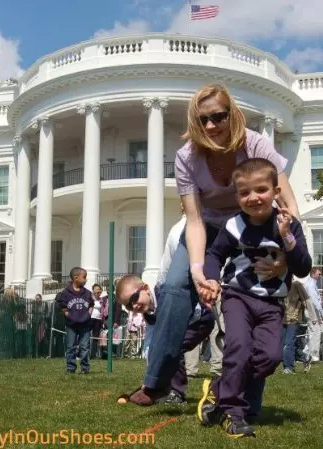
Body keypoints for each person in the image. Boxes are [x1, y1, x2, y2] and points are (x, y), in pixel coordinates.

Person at [128, 83, 299, 406]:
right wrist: (197, 271)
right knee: (176, 286)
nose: (211, 126)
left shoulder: (255, 144)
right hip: (206, 227)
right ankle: (158, 382)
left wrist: (284, 256)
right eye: (202, 120)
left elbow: (287, 201)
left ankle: (245, 398)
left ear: (232, 114)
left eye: (218, 117)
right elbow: (193, 220)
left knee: (253, 300)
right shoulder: (186, 157)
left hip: (250, 225)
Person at [197, 158, 312, 438]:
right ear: (237, 196)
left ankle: (218, 390)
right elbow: (214, 253)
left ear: (275, 191)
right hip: (238, 297)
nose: (253, 197)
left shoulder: (289, 225)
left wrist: (287, 239)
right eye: (244, 192)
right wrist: (211, 278)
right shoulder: (234, 225)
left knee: (270, 356)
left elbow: (303, 267)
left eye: (261, 189)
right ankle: (233, 414)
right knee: (238, 348)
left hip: (273, 303)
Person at [116, 274, 214, 404]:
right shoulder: (149, 315)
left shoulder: (166, 294)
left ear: (145, 288)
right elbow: (152, 345)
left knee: (173, 348)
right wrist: (151, 376)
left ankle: (177, 392)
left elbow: (193, 310)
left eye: (134, 298)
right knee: (167, 348)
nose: (133, 306)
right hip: (184, 324)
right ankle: (163, 388)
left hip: (200, 319)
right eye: (128, 306)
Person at [56, 267, 94, 374]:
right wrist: (70, 316)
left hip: (85, 324)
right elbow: (63, 307)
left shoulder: (87, 293)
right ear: (76, 278)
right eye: (84, 277)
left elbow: (91, 305)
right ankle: (70, 368)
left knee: (84, 347)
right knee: (70, 347)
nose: (86, 279)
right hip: (71, 325)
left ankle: (85, 368)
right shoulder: (66, 293)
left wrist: (88, 315)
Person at [283, 280, 317, 374]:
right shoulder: (278, 284)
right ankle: (305, 358)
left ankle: (289, 368)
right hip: (281, 319)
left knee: (288, 344)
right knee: (284, 345)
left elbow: (307, 300)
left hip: (294, 318)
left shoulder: (296, 285)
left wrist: (313, 316)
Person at [304, 268, 323, 362]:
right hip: (312, 311)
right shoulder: (310, 285)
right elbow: (314, 301)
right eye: (319, 274)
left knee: (318, 331)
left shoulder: (312, 284)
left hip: (313, 310)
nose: (320, 276)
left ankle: (308, 352)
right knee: (315, 332)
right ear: (313, 274)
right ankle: (313, 355)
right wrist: (322, 313)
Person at [90, 284, 105, 359]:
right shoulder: (89, 298)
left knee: (96, 337)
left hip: (98, 319)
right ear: (93, 290)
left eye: (99, 289)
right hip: (90, 318)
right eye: (96, 289)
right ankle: (85, 353)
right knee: (87, 336)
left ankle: (93, 354)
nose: (98, 290)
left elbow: (103, 310)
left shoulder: (101, 300)